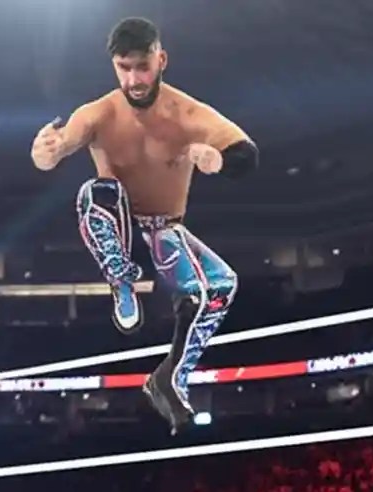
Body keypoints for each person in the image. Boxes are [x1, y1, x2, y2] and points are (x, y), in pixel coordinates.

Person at [29, 17, 258, 432]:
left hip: (165, 233)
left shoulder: (187, 114)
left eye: (142, 66)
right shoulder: (98, 113)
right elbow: (53, 154)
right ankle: (121, 282)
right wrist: (44, 152)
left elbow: (247, 153)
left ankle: (170, 377)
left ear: (161, 59)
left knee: (222, 285)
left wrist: (218, 159)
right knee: (98, 191)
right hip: (118, 232)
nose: (134, 79)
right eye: (124, 67)